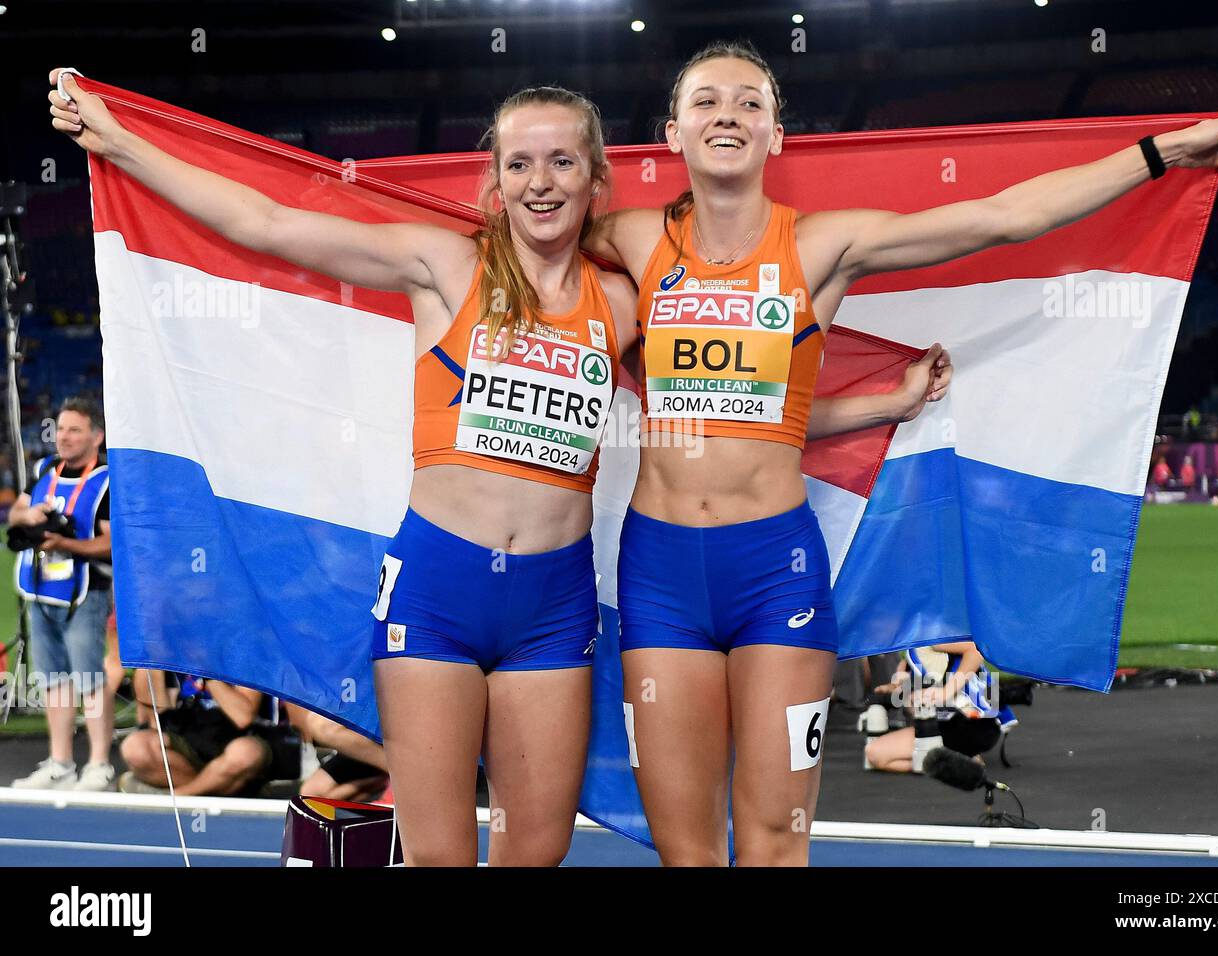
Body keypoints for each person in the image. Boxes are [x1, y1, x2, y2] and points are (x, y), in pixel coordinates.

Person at [50, 71, 945, 862]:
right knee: (439, 853)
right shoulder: (441, 265)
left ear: (595, 181)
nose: (540, 181)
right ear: (496, 181)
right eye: (519, 163)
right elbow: (270, 222)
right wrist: (121, 141)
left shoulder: (627, 304)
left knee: (535, 849)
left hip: (551, 610)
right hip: (437, 591)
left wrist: (880, 405)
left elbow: (732, 410)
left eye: (561, 163)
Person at [585, 39, 1218, 865]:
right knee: (685, 849)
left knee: (774, 842)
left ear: (777, 137)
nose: (728, 113)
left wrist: (1162, 154)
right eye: (708, 101)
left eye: (750, 102)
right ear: (673, 133)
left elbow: (1004, 218)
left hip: (776, 576)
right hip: (659, 575)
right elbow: (511, 218)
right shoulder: (628, 238)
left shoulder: (823, 246)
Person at [8, 398, 116, 792]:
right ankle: (61, 762)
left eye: (74, 430)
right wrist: (31, 518)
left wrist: (68, 545)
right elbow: (17, 511)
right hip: (41, 589)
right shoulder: (44, 470)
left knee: (90, 678)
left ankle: (100, 764)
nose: (64, 437)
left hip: (84, 592)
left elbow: (111, 543)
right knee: (53, 679)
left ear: (96, 436)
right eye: (60, 429)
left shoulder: (105, 479)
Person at [119, 675, 300, 796]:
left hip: (245, 738)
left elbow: (243, 717)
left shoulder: (245, 648)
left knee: (244, 754)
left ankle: (177, 797)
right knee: (135, 747)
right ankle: (216, 786)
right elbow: (155, 713)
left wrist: (206, 671)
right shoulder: (176, 646)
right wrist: (148, 654)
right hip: (195, 736)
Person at [864, 641, 1006, 773]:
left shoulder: (930, 635)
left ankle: (953, 763)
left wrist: (946, 692)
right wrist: (893, 688)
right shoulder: (913, 645)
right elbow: (924, 674)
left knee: (875, 754)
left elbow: (975, 650)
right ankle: (959, 756)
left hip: (965, 725)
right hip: (970, 725)